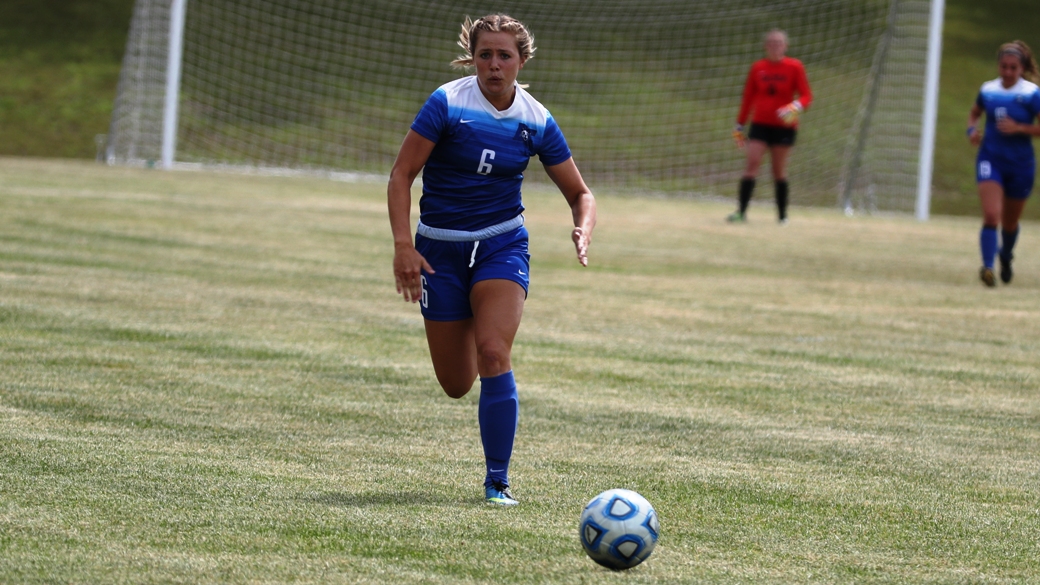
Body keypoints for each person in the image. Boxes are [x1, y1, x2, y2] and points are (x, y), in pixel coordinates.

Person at [387, 14, 596, 506]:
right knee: (457, 384)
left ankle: (497, 481)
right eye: (486, 55)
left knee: (494, 353)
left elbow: (581, 194)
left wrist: (582, 229)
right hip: (438, 249)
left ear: (522, 61)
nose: (494, 65)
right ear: (473, 58)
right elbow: (401, 175)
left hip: (502, 244)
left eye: (505, 56)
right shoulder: (446, 104)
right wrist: (403, 245)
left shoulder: (535, 119)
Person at [968, 40, 1040, 287]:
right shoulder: (988, 90)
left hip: (1020, 166)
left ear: (1021, 68)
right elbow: (975, 112)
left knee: (1009, 223)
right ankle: (987, 267)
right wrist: (971, 131)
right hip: (991, 159)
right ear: (998, 66)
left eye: (1013, 67)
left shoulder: (1031, 93)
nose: (1008, 72)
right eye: (1004, 67)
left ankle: (1005, 257)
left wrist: (1019, 127)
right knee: (991, 214)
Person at [729, 29, 812, 224]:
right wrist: (739, 125)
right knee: (751, 165)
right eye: (771, 43)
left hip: (784, 127)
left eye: (779, 43)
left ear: (786, 46)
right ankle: (741, 213)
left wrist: (793, 107)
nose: (775, 46)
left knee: (778, 171)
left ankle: (782, 216)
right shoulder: (758, 68)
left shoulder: (794, 66)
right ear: (766, 46)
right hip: (760, 124)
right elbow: (748, 97)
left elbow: (807, 96)